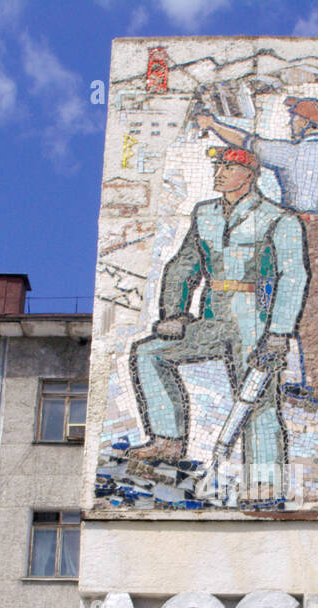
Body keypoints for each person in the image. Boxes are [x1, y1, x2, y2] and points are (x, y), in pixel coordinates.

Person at [127, 147, 306, 497]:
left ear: (249, 175)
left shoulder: (278, 218)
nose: (220, 172)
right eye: (218, 166)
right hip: (213, 315)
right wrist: (174, 313)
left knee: (257, 395)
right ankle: (167, 440)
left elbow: (293, 275)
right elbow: (183, 264)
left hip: (255, 318)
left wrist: (279, 333)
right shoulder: (205, 214)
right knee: (150, 353)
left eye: (229, 167)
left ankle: (264, 479)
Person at [197, 97, 318, 403]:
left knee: (308, 311)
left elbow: (247, 142)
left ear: (305, 123)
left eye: (294, 118)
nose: (290, 123)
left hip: (303, 229)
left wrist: (213, 124)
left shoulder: (291, 154)